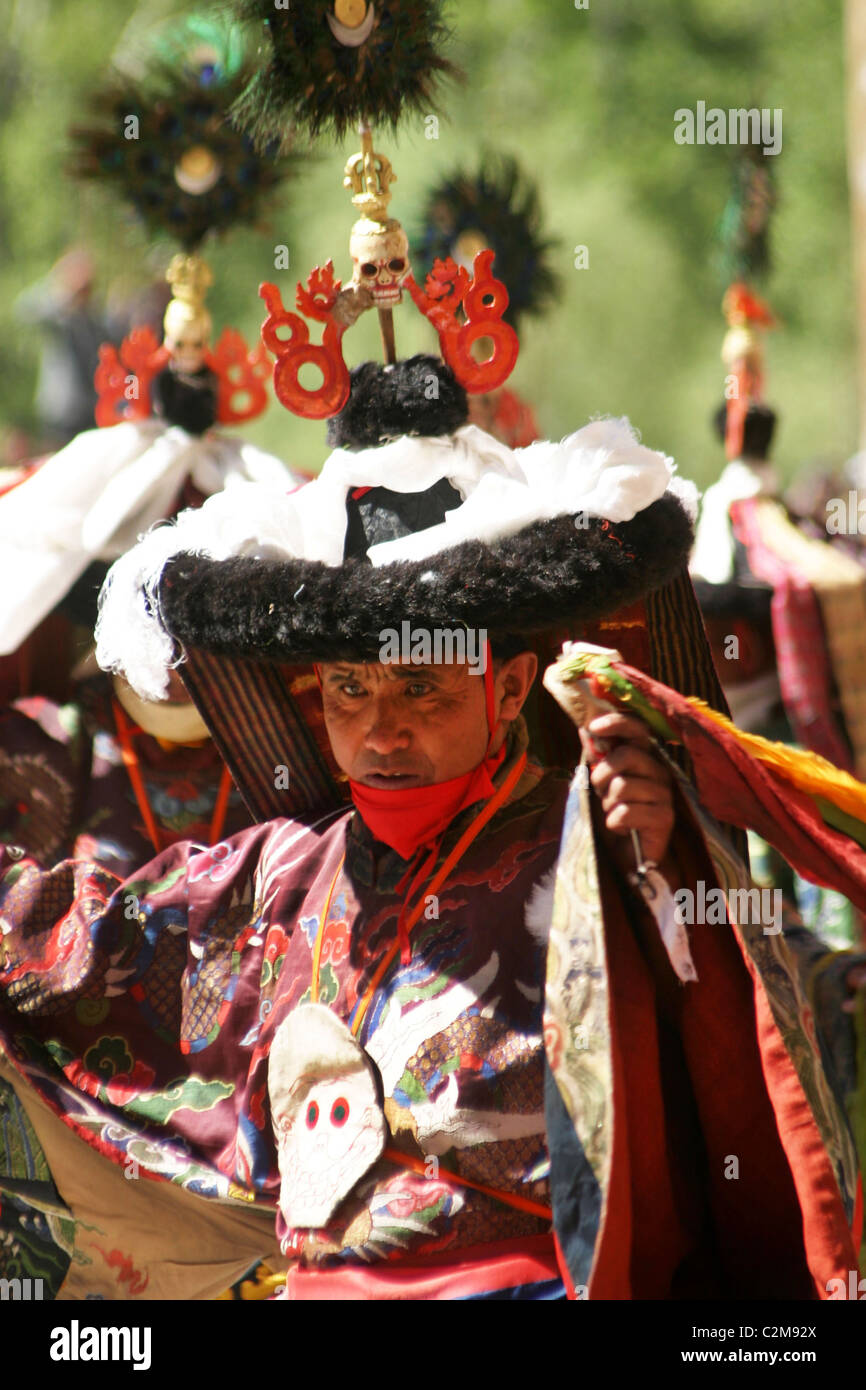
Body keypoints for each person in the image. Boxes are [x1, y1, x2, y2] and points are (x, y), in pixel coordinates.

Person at [1, 359, 864, 1300]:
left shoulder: (593, 852)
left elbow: (744, 1046)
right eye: (348, 690)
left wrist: (660, 866)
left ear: (502, 690)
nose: (380, 731)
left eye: (421, 686)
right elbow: (80, 946)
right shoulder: (285, 876)